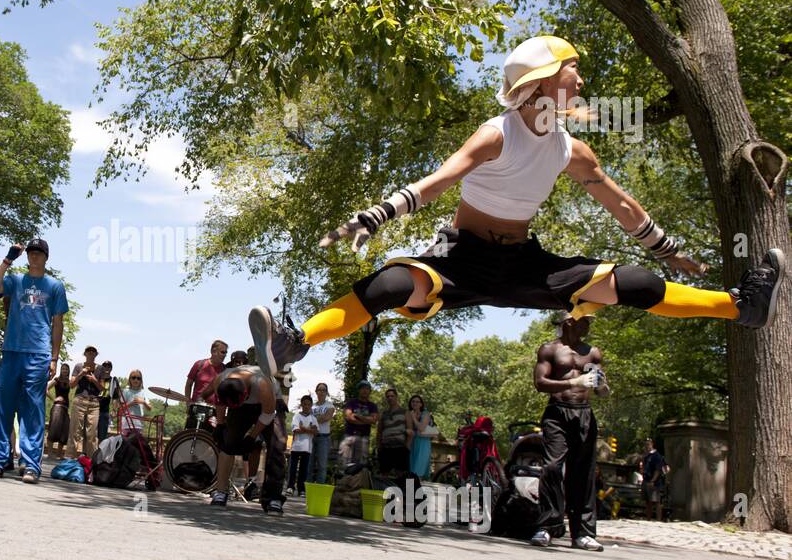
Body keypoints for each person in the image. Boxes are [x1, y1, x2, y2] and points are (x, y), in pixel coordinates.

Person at [248, 35, 782, 390]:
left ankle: (742, 306)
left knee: (635, 282)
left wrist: (668, 251)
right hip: (461, 259)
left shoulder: (570, 150)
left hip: (526, 264)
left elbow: (619, 203)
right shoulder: (496, 133)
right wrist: (378, 215)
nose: (580, 83)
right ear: (545, 79)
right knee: (390, 285)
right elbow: (442, 179)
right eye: (573, 71)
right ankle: (292, 344)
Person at [0, 239, 68, 483]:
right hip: (12, 351)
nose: (34, 256)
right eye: (31, 252)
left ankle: (31, 465)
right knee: (3, 407)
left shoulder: (54, 286)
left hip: (38, 355)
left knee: (33, 410)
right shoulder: (16, 280)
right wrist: (8, 260)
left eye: (39, 253)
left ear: (46, 257)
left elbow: (58, 323)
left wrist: (54, 357)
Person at [531, 313, 611, 551]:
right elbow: (540, 383)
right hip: (557, 413)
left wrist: (602, 386)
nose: (588, 325)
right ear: (569, 322)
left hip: (584, 413)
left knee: (584, 473)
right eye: (585, 320)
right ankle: (547, 527)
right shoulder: (550, 350)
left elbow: (602, 391)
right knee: (553, 468)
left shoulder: (592, 352)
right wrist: (574, 383)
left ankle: (583, 533)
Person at [207, 363, 288, 515]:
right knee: (227, 443)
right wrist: (220, 424)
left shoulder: (262, 383)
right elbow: (219, 402)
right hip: (240, 408)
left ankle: (273, 498)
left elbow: (268, 414)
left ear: (246, 391)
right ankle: (221, 492)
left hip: (271, 403)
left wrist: (252, 436)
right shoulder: (221, 380)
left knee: (277, 446)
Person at [68, 346, 104, 458]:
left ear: (96, 354)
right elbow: (71, 384)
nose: (91, 353)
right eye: (89, 351)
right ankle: (69, 459)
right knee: (75, 432)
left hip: (94, 403)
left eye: (93, 352)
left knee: (92, 435)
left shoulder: (100, 369)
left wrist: (94, 380)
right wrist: (81, 374)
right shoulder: (78, 366)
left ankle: (91, 462)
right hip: (79, 401)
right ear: (85, 354)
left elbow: (102, 388)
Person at [184, 340, 228, 429]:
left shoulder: (225, 370)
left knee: (210, 440)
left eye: (226, 353)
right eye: (222, 352)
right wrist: (188, 402)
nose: (225, 355)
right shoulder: (199, 364)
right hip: (196, 408)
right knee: (189, 436)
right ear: (213, 351)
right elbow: (188, 384)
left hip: (215, 411)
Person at [339, 381, 379, 472]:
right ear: (359, 390)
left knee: (360, 466)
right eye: (362, 388)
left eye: (367, 388)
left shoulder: (372, 406)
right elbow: (349, 417)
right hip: (349, 435)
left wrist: (358, 416)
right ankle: (343, 484)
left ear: (370, 391)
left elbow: (373, 420)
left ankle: (410, 486)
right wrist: (366, 420)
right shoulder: (351, 403)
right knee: (344, 464)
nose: (364, 390)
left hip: (363, 437)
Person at [287, 393, 319, 497]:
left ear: (311, 406)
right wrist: (309, 430)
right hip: (296, 446)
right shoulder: (297, 416)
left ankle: (301, 489)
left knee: (304, 470)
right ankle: (290, 487)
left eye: (309, 404)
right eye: (304, 404)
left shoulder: (313, 418)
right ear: (301, 405)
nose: (306, 406)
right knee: (292, 468)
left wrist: (304, 429)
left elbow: (315, 431)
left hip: (307, 447)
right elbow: (296, 430)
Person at [307, 383, 335, 484]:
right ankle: (306, 488)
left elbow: (327, 417)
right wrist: (317, 418)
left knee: (322, 465)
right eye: (319, 390)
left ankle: (319, 488)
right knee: (309, 464)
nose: (321, 392)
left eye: (324, 390)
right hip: (311, 437)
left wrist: (313, 419)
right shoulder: (312, 406)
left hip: (324, 437)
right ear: (316, 392)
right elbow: (307, 419)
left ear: (326, 392)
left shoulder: (330, 405)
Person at [376, 387, 409, 472]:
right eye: (388, 396)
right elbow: (379, 431)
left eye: (392, 396)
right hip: (385, 448)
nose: (390, 398)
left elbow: (410, 430)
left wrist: (407, 446)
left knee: (405, 473)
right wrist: (378, 446)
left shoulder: (405, 412)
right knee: (384, 473)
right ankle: (388, 486)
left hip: (401, 448)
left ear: (396, 397)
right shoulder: (384, 413)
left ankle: (410, 486)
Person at [42, 361, 71, 456]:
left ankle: (59, 454)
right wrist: (54, 398)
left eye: (66, 369)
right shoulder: (57, 380)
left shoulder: (70, 381)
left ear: (68, 371)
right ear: (60, 370)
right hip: (57, 407)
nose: (65, 370)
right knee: (54, 429)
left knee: (64, 430)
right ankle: (50, 453)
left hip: (66, 408)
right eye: (63, 369)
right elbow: (45, 388)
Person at [406, 394, 437, 478]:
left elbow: (421, 428)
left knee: (419, 469)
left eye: (417, 402)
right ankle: (410, 490)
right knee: (411, 469)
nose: (415, 403)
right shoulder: (407, 413)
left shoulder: (425, 414)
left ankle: (417, 489)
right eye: (413, 401)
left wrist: (413, 417)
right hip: (412, 442)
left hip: (423, 442)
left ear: (421, 404)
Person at [641, 438, 667, 522]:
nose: (646, 446)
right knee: (648, 501)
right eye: (645, 445)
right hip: (646, 480)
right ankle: (648, 519)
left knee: (656, 501)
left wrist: (653, 480)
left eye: (648, 444)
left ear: (652, 444)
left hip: (654, 482)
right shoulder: (646, 456)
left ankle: (658, 519)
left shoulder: (656, 456)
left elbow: (658, 469)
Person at [120, 369, 149, 434]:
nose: (136, 380)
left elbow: (150, 408)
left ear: (141, 380)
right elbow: (121, 408)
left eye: (138, 378)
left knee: (137, 443)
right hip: (127, 424)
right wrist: (131, 404)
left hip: (139, 425)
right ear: (130, 379)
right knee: (127, 443)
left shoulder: (143, 392)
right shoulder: (126, 391)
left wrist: (143, 402)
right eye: (133, 378)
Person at [97, 360, 116, 443]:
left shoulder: (113, 381)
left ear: (111, 368)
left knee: (102, 436)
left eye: (109, 366)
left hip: (104, 411)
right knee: (90, 435)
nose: (107, 368)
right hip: (93, 409)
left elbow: (115, 397)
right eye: (105, 366)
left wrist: (114, 410)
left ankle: (99, 455)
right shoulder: (97, 378)